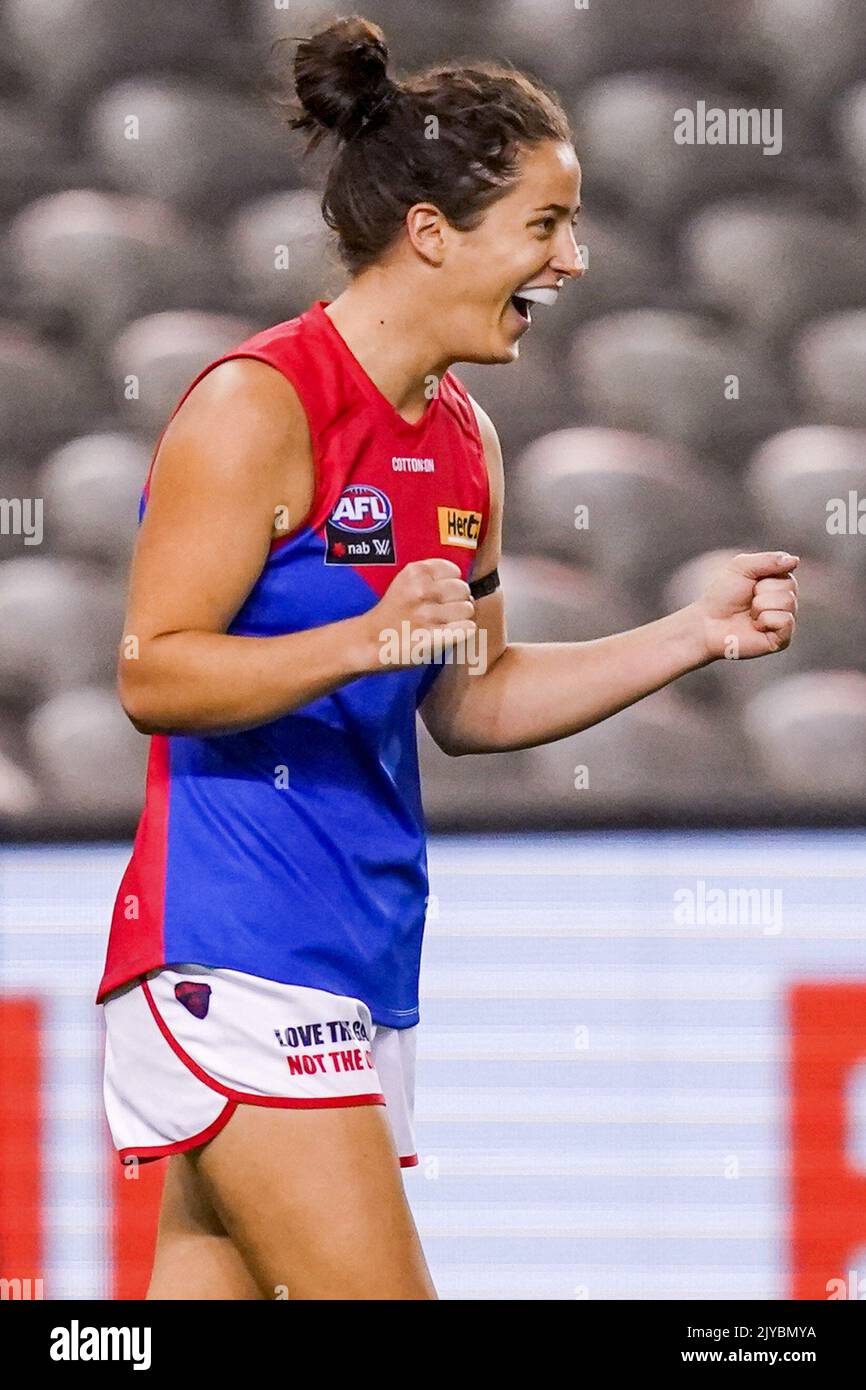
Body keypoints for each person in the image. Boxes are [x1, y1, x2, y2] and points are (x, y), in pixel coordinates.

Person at [96, 15, 799, 1300]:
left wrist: (689, 633)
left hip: (347, 957)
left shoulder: (459, 438)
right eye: (543, 225)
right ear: (432, 233)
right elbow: (154, 673)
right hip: (236, 948)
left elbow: (469, 700)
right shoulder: (258, 404)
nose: (572, 261)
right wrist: (361, 637)